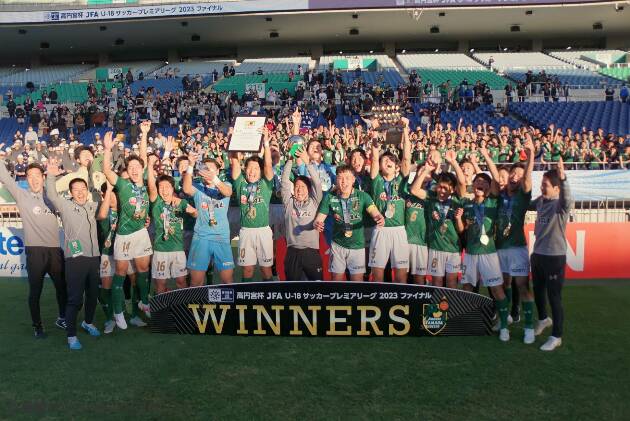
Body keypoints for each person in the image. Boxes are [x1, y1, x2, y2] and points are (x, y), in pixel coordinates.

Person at [0, 161, 67, 338]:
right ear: (26, 179)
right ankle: (37, 326)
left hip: (55, 251)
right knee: (35, 291)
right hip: (35, 252)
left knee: (62, 288)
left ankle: (62, 318)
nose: (34, 179)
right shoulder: (22, 196)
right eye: (30, 176)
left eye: (38, 175)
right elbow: (5, 177)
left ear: (43, 177)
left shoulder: (52, 197)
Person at [453, 153, 511, 342]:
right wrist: (459, 220)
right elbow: (462, 230)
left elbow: (495, 177)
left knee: (496, 290)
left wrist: (485, 155)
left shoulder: (492, 201)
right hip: (470, 254)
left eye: (484, 182)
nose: (480, 183)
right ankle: (466, 321)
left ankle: (504, 326)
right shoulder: (466, 204)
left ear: (489, 187)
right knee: (467, 288)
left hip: (488, 254)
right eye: (477, 181)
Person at [45, 161, 101, 350]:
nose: (80, 192)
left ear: (87, 190)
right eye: (76, 189)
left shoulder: (92, 206)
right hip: (75, 259)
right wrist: (51, 175)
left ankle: (88, 322)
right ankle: (71, 336)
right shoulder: (65, 206)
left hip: (94, 258)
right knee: (75, 299)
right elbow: (51, 194)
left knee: (93, 295)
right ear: (70, 192)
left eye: (83, 189)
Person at [102, 122, 153, 329]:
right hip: (124, 235)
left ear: (142, 169)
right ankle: (118, 311)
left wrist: (144, 134)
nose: (134, 169)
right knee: (121, 272)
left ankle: (144, 302)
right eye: (130, 167)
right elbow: (107, 170)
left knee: (143, 269)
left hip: (141, 233)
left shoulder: (145, 180)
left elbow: (143, 157)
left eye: (137, 167)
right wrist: (107, 149)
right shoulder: (123, 185)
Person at [495, 137, 536, 344]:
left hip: (517, 247)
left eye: (519, 175)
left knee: (522, 286)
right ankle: (504, 324)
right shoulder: (500, 194)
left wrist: (530, 156)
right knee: (502, 285)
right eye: (513, 173)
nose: (515, 177)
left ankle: (529, 328)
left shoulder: (523, 195)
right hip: (499, 248)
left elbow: (527, 180)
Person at [529, 157, 573, 351]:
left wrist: (563, 179)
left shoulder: (560, 205)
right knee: (538, 291)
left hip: (554, 257)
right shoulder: (541, 201)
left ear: (556, 188)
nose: (542, 187)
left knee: (554, 296)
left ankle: (556, 336)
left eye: (545, 185)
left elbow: (568, 200)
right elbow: (525, 202)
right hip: (537, 254)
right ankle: (543, 319)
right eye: (541, 184)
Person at [314, 165, 385, 281]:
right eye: (340, 178)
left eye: (347, 178)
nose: (343, 181)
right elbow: (318, 220)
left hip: (357, 247)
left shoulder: (363, 196)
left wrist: (379, 217)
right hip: (337, 245)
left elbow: (375, 212)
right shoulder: (329, 197)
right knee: (336, 280)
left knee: (357, 282)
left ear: (353, 179)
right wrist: (317, 224)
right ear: (336, 180)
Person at [368, 119, 412, 283]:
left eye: (391, 160)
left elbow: (406, 157)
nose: (387, 161)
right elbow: (374, 157)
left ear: (397, 166)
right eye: (384, 160)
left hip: (399, 230)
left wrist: (405, 129)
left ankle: (400, 298)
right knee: (377, 274)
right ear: (380, 166)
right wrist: (374, 132)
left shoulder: (401, 180)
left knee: (401, 275)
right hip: (381, 230)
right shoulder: (376, 180)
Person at [410, 154, 463, 289]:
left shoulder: (457, 200)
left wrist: (453, 162)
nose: (442, 191)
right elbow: (414, 190)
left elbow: (462, 183)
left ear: (452, 189)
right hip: (435, 247)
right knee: (436, 283)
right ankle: (437, 304)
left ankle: (451, 304)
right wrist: (426, 170)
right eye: (440, 187)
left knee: (451, 282)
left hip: (453, 248)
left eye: (446, 188)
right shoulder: (431, 198)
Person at [147, 153, 197, 294]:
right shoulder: (156, 203)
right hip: (160, 250)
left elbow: (196, 214)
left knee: (181, 282)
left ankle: (184, 306)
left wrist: (193, 211)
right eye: (161, 187)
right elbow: (151, 186)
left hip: (178, 249)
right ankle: (162, 308)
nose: (164, 190)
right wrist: (150, 166)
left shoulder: (180, 202)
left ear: (173, 188)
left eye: (167, 187)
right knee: (161, 284)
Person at [230, 128, 275, 282]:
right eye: (249, 168)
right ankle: (246, 296)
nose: (252, 171)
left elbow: (268, 165)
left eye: (256, 168)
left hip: (263, 231)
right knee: (247, 270)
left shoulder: (266, 184)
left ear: (261, 171)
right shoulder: (240, 183)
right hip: (246, 232)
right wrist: (233, 140)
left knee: (266, 269)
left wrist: (266, 142)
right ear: (245, 169)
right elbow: (235, 162)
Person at [182, 152, 234, 285]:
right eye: (205, 169)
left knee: (227, 280)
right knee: (196, 281)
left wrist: (214, 179)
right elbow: (186, 189)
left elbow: (228, 192)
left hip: (221, 237)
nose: (208, 172)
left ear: (217, 171)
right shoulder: (198, 186)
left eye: (211, 169)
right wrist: (191, 165)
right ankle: (197, 300)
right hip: (201, 237)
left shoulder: (225, 184)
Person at [281, 148, 323, 281]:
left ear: (309, 190)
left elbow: (317, 183)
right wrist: (290, 160)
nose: (299, 190)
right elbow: (284, 181)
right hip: (292, 252)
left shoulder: (315, 202)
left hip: (311, 252)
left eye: (303, 187)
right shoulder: (289, 202)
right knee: (293, 288)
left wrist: (307, 163)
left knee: (317, 287)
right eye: (297, 187)